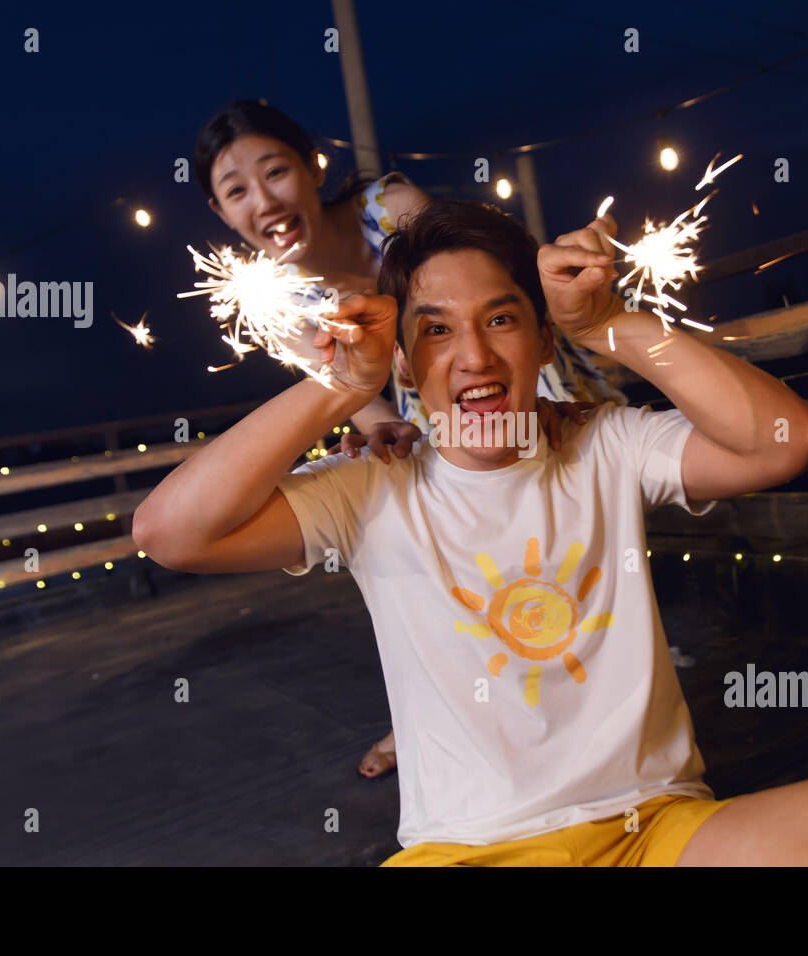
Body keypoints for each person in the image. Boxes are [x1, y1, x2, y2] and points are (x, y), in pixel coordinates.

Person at [133, 199, 808, 865]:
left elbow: (785, 441)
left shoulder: (606, 445)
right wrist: (339, 388)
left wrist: (608, 324)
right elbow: (169, 533)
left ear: (543, 339)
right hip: (468, 853)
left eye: (502, 319)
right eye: (435, 332)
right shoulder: (371, 491)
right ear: (402, 362)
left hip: (657, 834)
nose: (474, 357)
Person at [194, 99, 622, 777]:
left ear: (313, 167)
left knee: (522, 469)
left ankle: (585, 679)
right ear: (221, 214)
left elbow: (466, 264)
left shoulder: (385, 202)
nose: (263, 199)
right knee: (392, 505)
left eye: (275, 171)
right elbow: (371, 412)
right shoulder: (279, 307)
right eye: (236, 191)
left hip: (520, 370)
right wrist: (381, 442)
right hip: (430, 408)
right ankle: (431, 706)